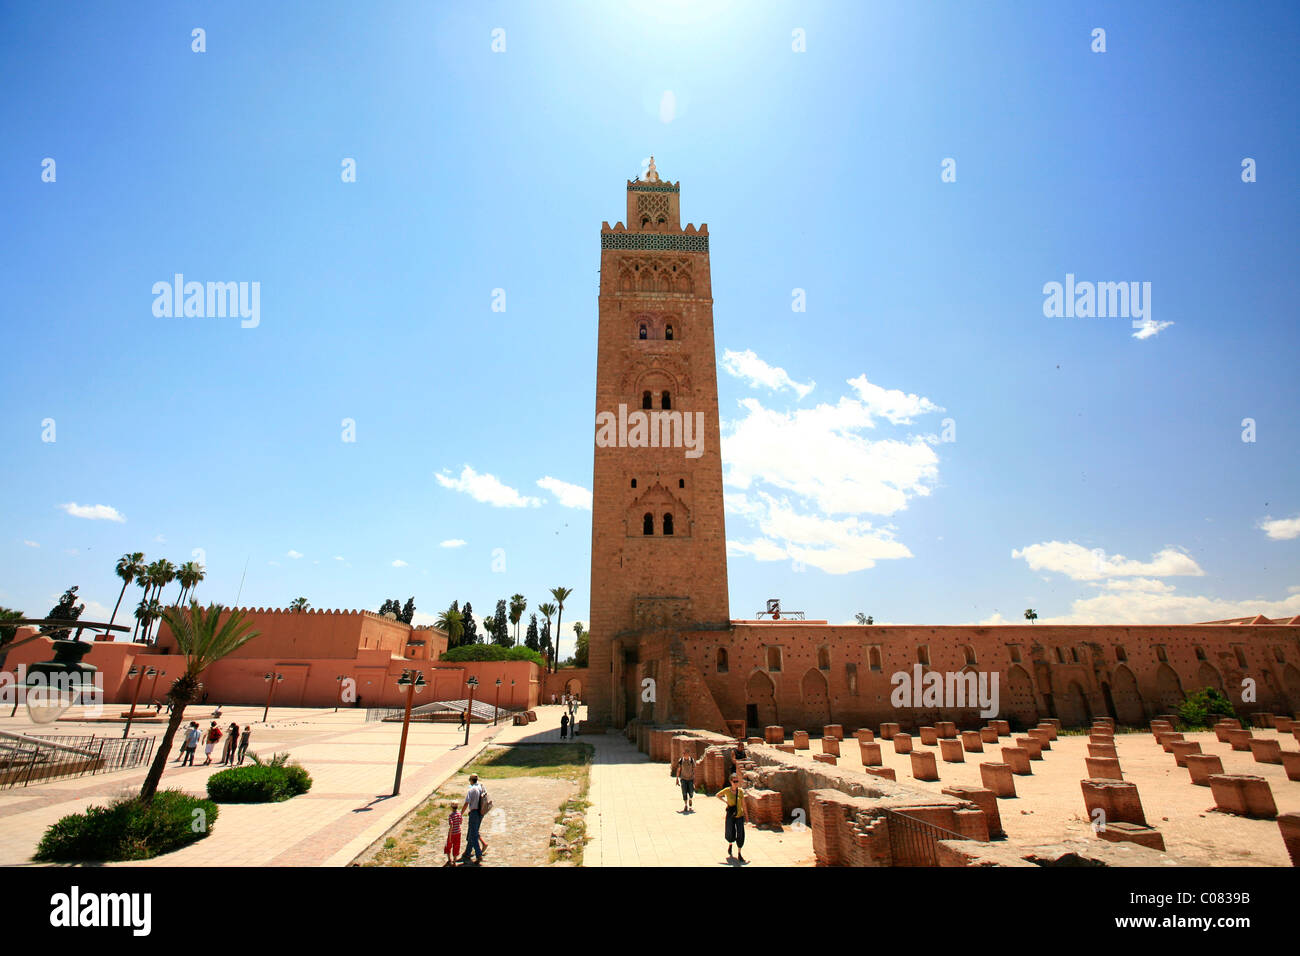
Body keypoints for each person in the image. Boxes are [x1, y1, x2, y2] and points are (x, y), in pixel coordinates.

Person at [716, 772, 748, 862]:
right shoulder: (727, 790)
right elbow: (717, 795)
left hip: (739, 815)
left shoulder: (740, 791)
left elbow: (744, 804)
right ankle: (730, 844)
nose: (736, 783)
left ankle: (739, 853)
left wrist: (746, 816)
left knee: (740, 833)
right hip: (730, 815)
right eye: (734, 781)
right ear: (730, 781)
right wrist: (725, 802)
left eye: (737, 781)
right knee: (730, 831)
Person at [459, 773, 487, 865]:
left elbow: (466, 803)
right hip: (481, 812)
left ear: (471, 780)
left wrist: (461, 813)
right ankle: (467, 852)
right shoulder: (481, 787)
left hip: (474, 812)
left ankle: (478, 855)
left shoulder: (471, 790)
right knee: (472, 832)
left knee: (474, 835)